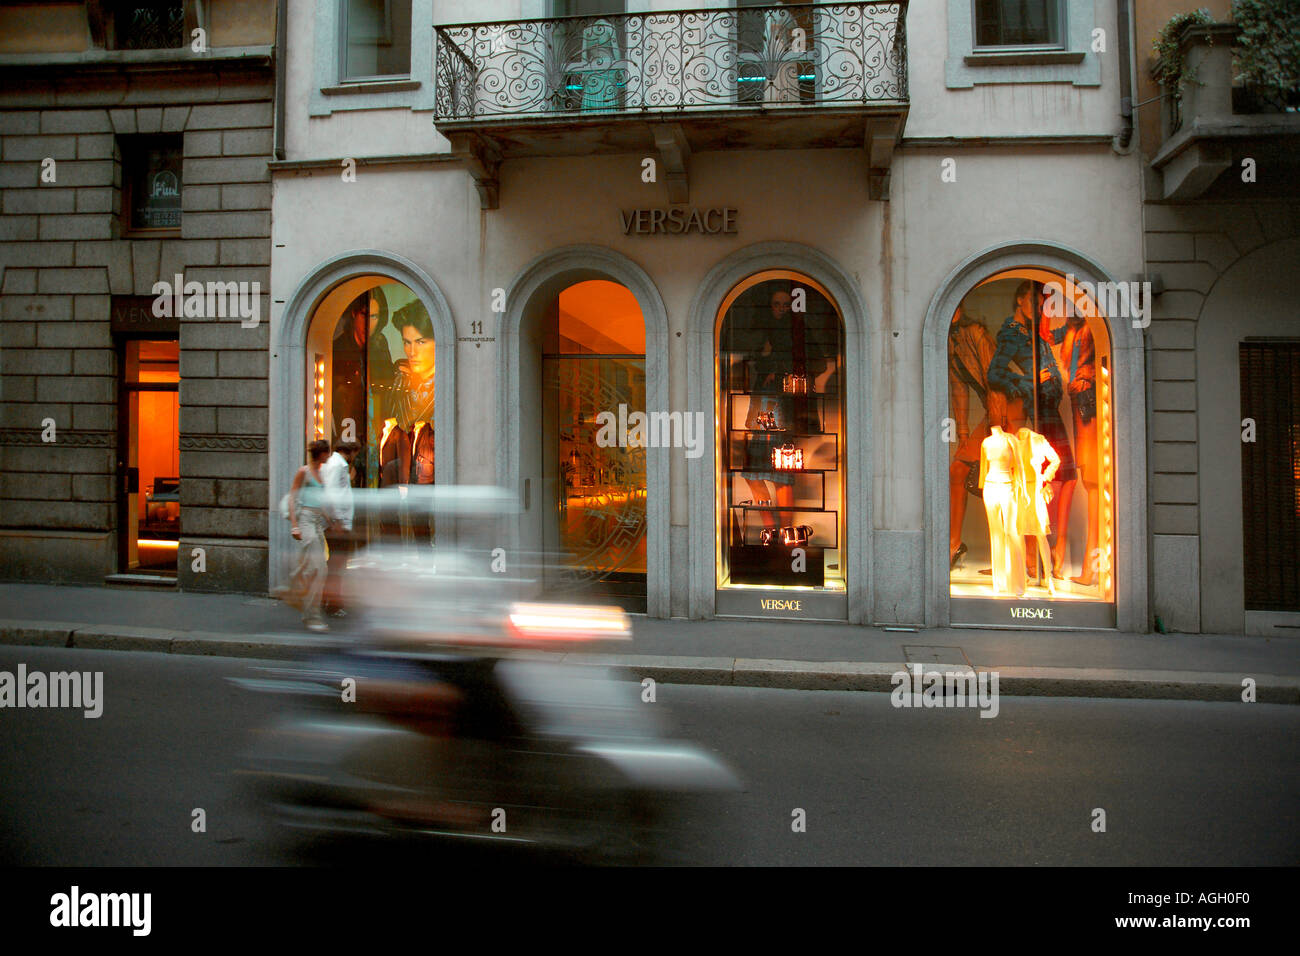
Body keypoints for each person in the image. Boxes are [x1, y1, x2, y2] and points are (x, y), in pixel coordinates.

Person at [947, 304, 1001, 569]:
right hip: (993, 409)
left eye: (958, 307)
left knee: (1006, 483)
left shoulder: (975, 332)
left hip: (1005, 406)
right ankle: (954, 544)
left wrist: (997, 423)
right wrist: (963, 433)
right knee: (958, 472)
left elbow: (996, 378)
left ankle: (1020, 559)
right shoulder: (950, 341)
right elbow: (959, 389)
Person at [287, 439, 332, 632]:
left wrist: (331, 519)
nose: (329, 456)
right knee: (319, 570)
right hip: (306, 520)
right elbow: (292, 497)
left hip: (317, 522)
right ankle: (312, 615)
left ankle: (296, 592)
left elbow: (320, 501)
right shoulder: (304, 472)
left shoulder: (320, 473)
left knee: (314, 569)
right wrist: (295, 526)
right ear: (320, 454)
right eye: (327, 452)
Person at [321, 440, 359, 616]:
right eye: (355, 454)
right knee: (337, 565)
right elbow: (332, 493)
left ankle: (326, 599)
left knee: (334, 564)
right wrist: (337, 520)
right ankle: (333, 604)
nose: (355, 458)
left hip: (337, 522)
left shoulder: (334, 464)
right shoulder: (339, 466)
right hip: (339, 524)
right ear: (351, 452)